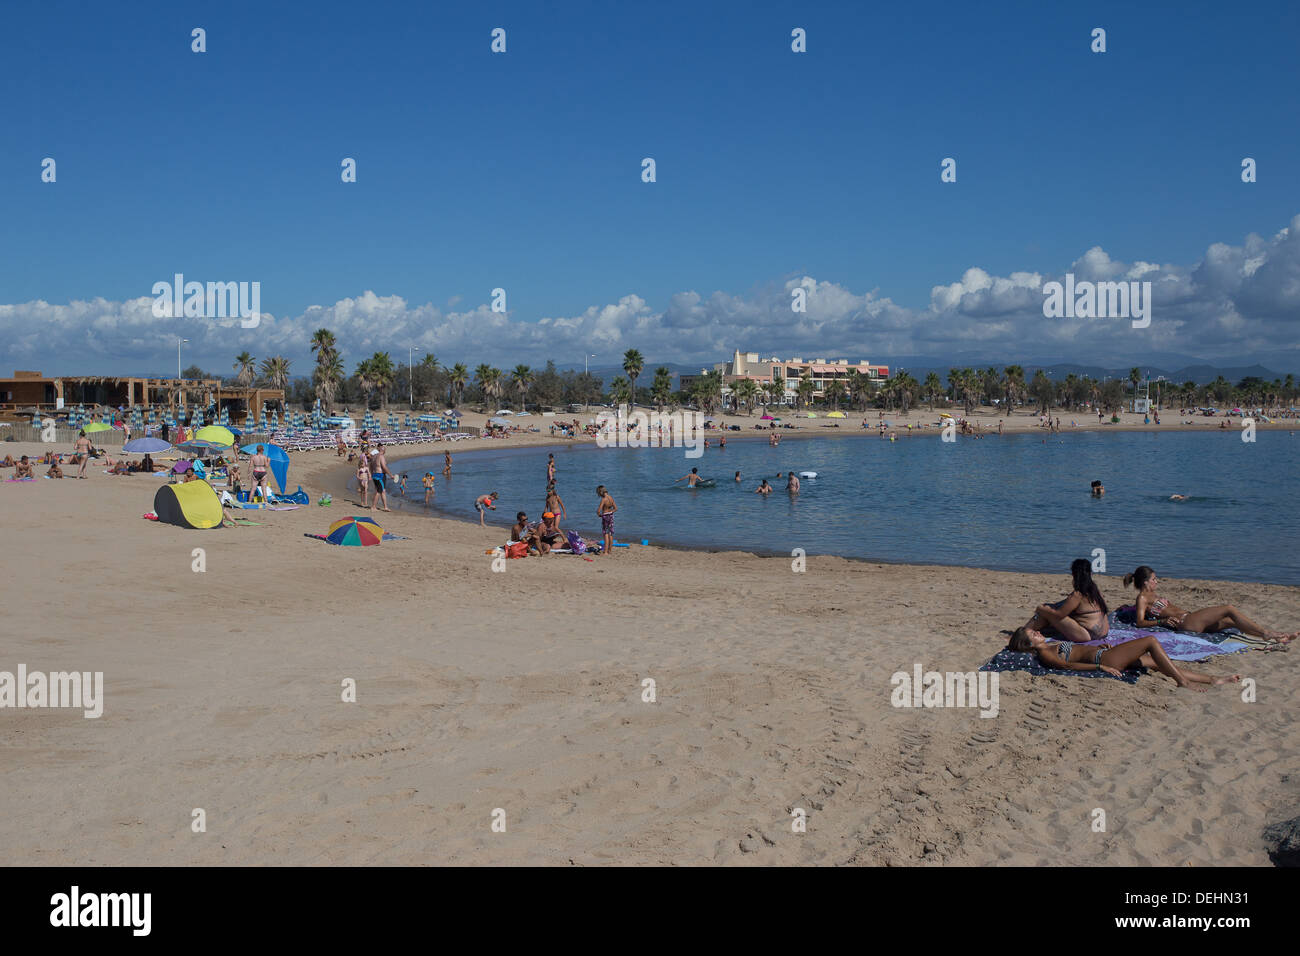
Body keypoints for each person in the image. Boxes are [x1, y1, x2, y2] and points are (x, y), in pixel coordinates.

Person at [1008, 627, 1239, 692]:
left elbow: (1076, 650)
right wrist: (1101, 665)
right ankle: (1183, 682)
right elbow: (1068, 664)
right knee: (1150, 641)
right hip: (1106, 659)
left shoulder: (1048, 645)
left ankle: (1213, 679)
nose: (1037, 633)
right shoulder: (1046, 653)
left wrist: (1098, 645)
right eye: (1033, 635)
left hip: (1103, 652)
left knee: (1155, 661)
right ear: (1029, 645)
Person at [1124, 566, 1296, 642]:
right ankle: (1266, 633)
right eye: (1154, 579)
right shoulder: (1142, 598)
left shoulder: (1152, 594)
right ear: (1146, 582)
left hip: (1190, 618)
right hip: (1186, 622)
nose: (1157, 581)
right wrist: (1161, 622)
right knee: (1229, 608)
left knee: (1231, 622)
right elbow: (1140, 623)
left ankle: (1273, 637)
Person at [1022, 558, 1110, 641]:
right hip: (1103, 633)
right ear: (1090, 573)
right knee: (1051, 609)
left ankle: (1023, 634)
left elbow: (1058, 615)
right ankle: (1030, 631)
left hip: (1088, 634)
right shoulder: (1095, 591)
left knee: (1045, 612)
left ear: (1074, 574)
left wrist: (1041, 608)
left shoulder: (1078, 595)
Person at [370, 445, 392, 512]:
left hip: (374, 474)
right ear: (383, 450)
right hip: (380, 475)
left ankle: (385, 507)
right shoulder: (381, 456)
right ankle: (373, 507)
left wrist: (371, 474)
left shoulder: (374, 456)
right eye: (385, 450)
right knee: (379, 491)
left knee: (382, 491)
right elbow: (384, 467)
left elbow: (370, 466)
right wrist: (390, 475)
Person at [596, 485, 617, 555]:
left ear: (600, 492)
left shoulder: (604, 499)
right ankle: (610, 550)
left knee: (605, 534)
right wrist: (610, 512)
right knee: (610, 533)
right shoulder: (611, 498)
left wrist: (599, 514)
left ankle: (605, 552)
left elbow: (599, 510)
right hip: (611, 516)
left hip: (605, 516)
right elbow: (616, 508)